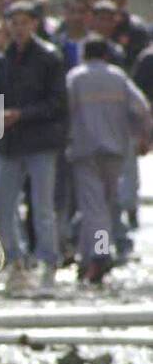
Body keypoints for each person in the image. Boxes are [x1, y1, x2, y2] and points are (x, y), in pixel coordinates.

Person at [0, 1, 68, 292]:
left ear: (34, 24)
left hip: (40, 142)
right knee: (3, 207)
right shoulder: (3, 59)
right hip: (9, 144)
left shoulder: (49, 57)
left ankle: (48, 264)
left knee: (42, 207)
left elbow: (58, 103)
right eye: (14, 22)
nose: (18, 28)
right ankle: (15, 263)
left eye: (24, 22)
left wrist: (21, 114)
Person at [66, 36, 151, 284]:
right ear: (105, 54)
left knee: (94, 208)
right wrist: (144, 136)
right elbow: (141, 108)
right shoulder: (118, 76)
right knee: (102, 205)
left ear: (84, 54)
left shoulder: (75, 77)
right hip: (115, 151)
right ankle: (86, 260)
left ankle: (100, 253)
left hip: (85, 152)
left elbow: (65, 110)